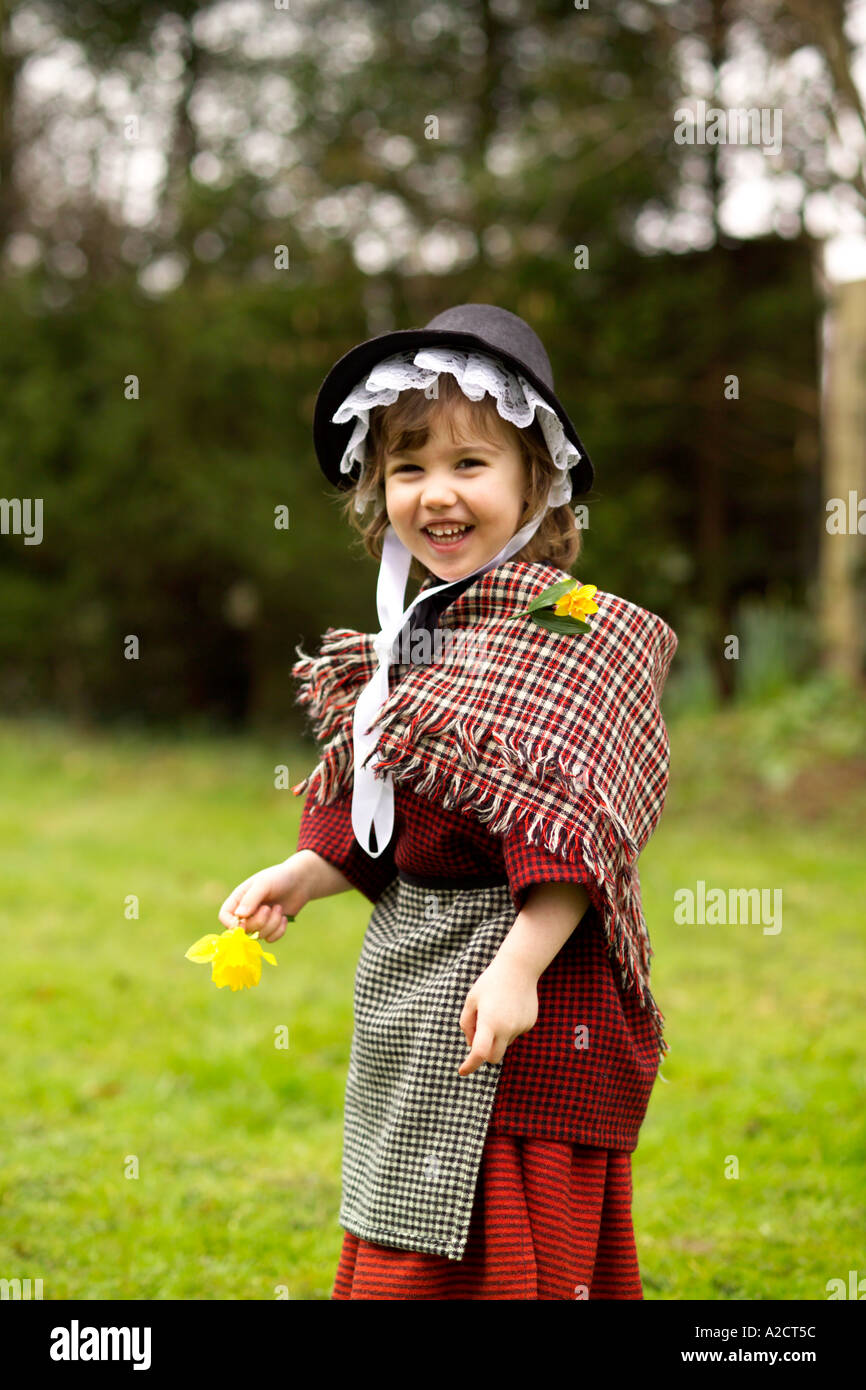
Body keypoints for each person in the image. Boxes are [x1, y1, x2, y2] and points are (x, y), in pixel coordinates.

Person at [218, 304, 678, 1300]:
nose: (436, 494)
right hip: (415, 986)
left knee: (497, 1226)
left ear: (535, 481)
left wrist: (516, 970)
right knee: (406, 1201)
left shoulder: (568, 635)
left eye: (470, 464)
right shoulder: (409, 642)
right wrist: (303, 873)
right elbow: (392, 819)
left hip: (536, 1000)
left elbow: (576, 835)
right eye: (408, 467)